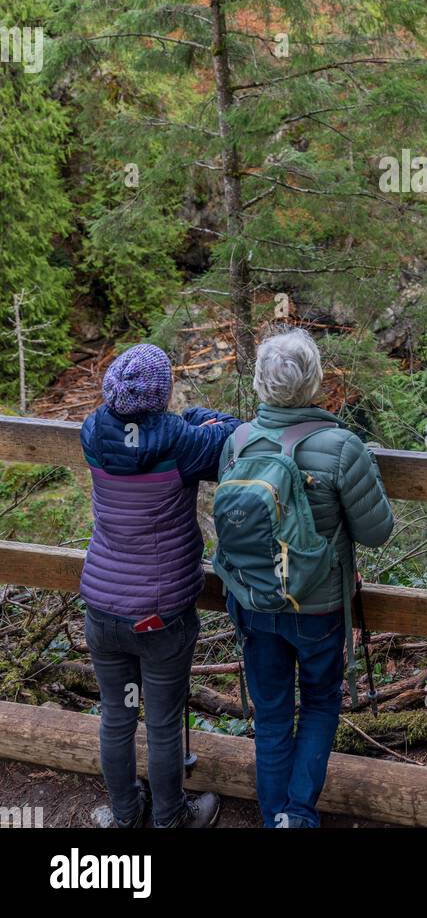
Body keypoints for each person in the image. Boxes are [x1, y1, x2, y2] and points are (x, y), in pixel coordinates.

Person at [222, 328, 393, 829]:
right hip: (317, 609)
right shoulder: (343, 446)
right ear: (316, 382)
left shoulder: (236, 442)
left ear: (258, 383)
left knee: (272, 715)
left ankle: (275, 815)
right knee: (319, 705)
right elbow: (377, 531)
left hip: (254, 603)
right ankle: (297, 814)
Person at [80, 343, 240, 829]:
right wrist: (201, 420)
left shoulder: (92, 430)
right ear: (162, 394)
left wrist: (185, 421)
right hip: (160, 613)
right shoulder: (180, 441)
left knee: (118, 713)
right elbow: (230, 441)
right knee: (164, 721)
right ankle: (172, 818)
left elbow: (134, 438)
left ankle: (126, 814)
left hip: (104, 609)